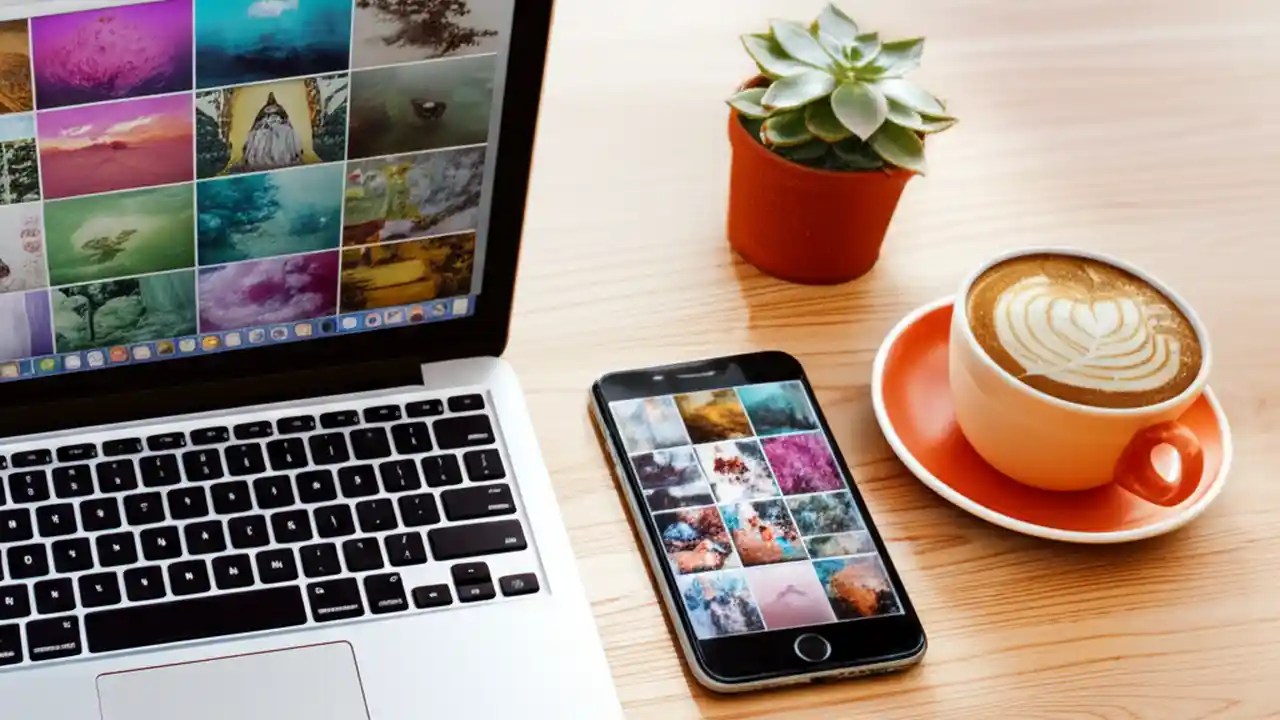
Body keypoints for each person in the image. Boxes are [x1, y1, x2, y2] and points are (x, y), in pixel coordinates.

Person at [239, 92, 303, 172]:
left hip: (279, 128)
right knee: (259, 135)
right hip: (265, 128)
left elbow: (286, 121)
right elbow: (256, 124)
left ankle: (282, 157)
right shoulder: (263, 113)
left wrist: (278, 124)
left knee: (286, 132)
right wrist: (264, 124)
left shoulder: (280, 112)